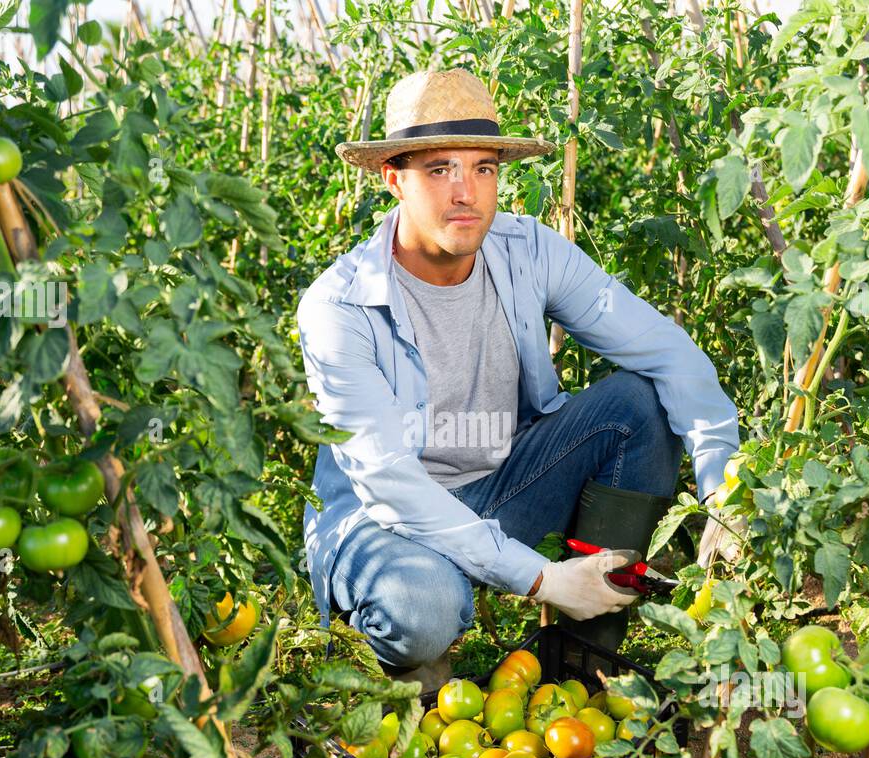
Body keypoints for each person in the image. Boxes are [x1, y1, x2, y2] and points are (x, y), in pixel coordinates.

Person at [296, 68, 741, 690]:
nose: (466, 193)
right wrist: (541, 578)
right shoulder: (340, 308)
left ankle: (583, 669)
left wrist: (725, 485)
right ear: (393, 179)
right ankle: (404, 679)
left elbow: (667, 351)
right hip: (383, 522)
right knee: (422, 609)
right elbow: (390, 484)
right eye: (439, 169)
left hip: (504, 487)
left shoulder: (526, 250)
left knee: (638, 404)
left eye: (483, 168)